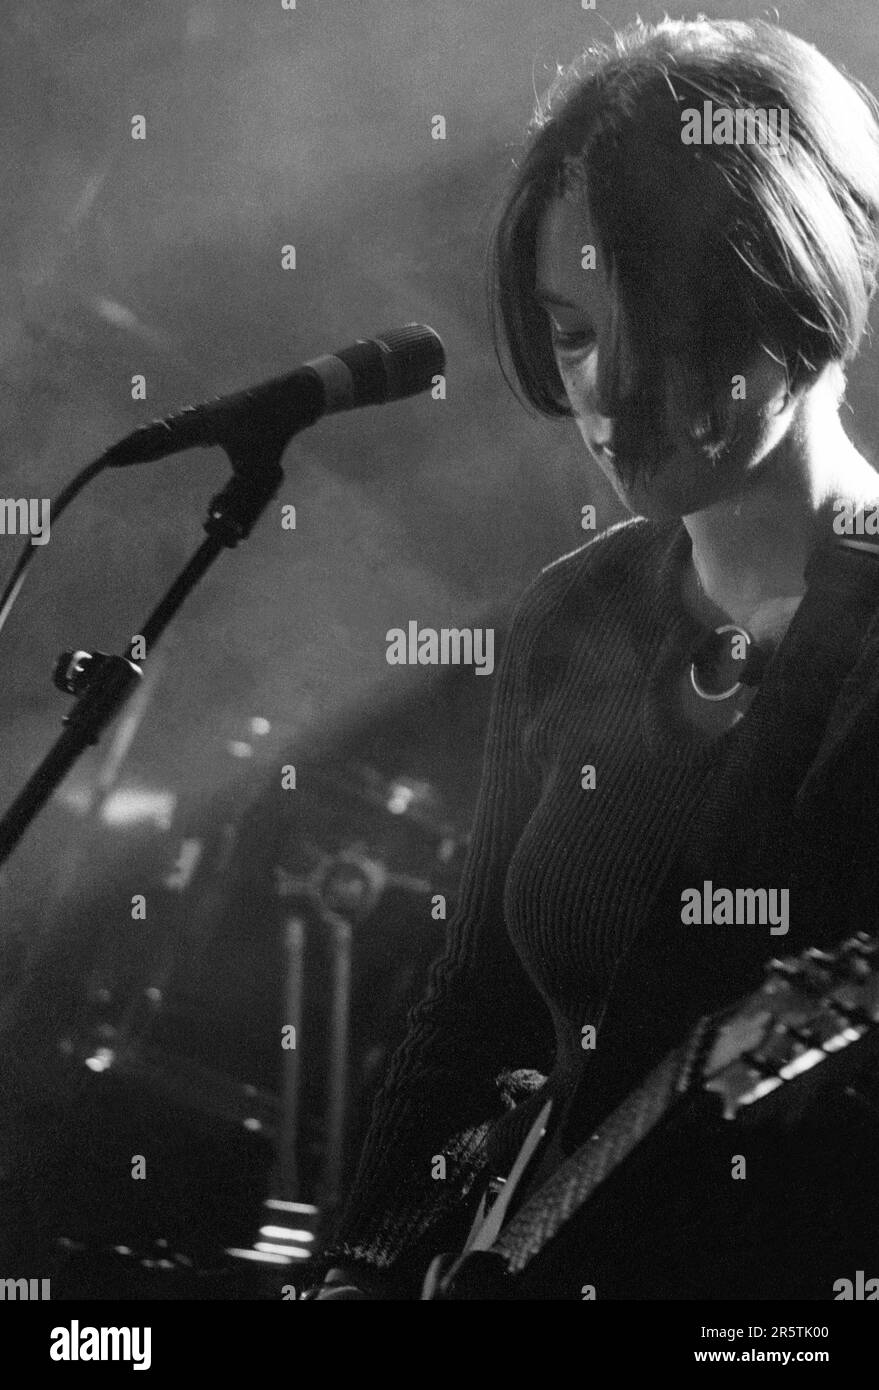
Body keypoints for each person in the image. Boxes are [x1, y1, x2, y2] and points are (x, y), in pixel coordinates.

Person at [301, 16, 879, 1299]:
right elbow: (480, 1000)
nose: (604, 396)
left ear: (800, 286)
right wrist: (361, 1262)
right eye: (568, 332)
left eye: (655, 331)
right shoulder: (573, 615)